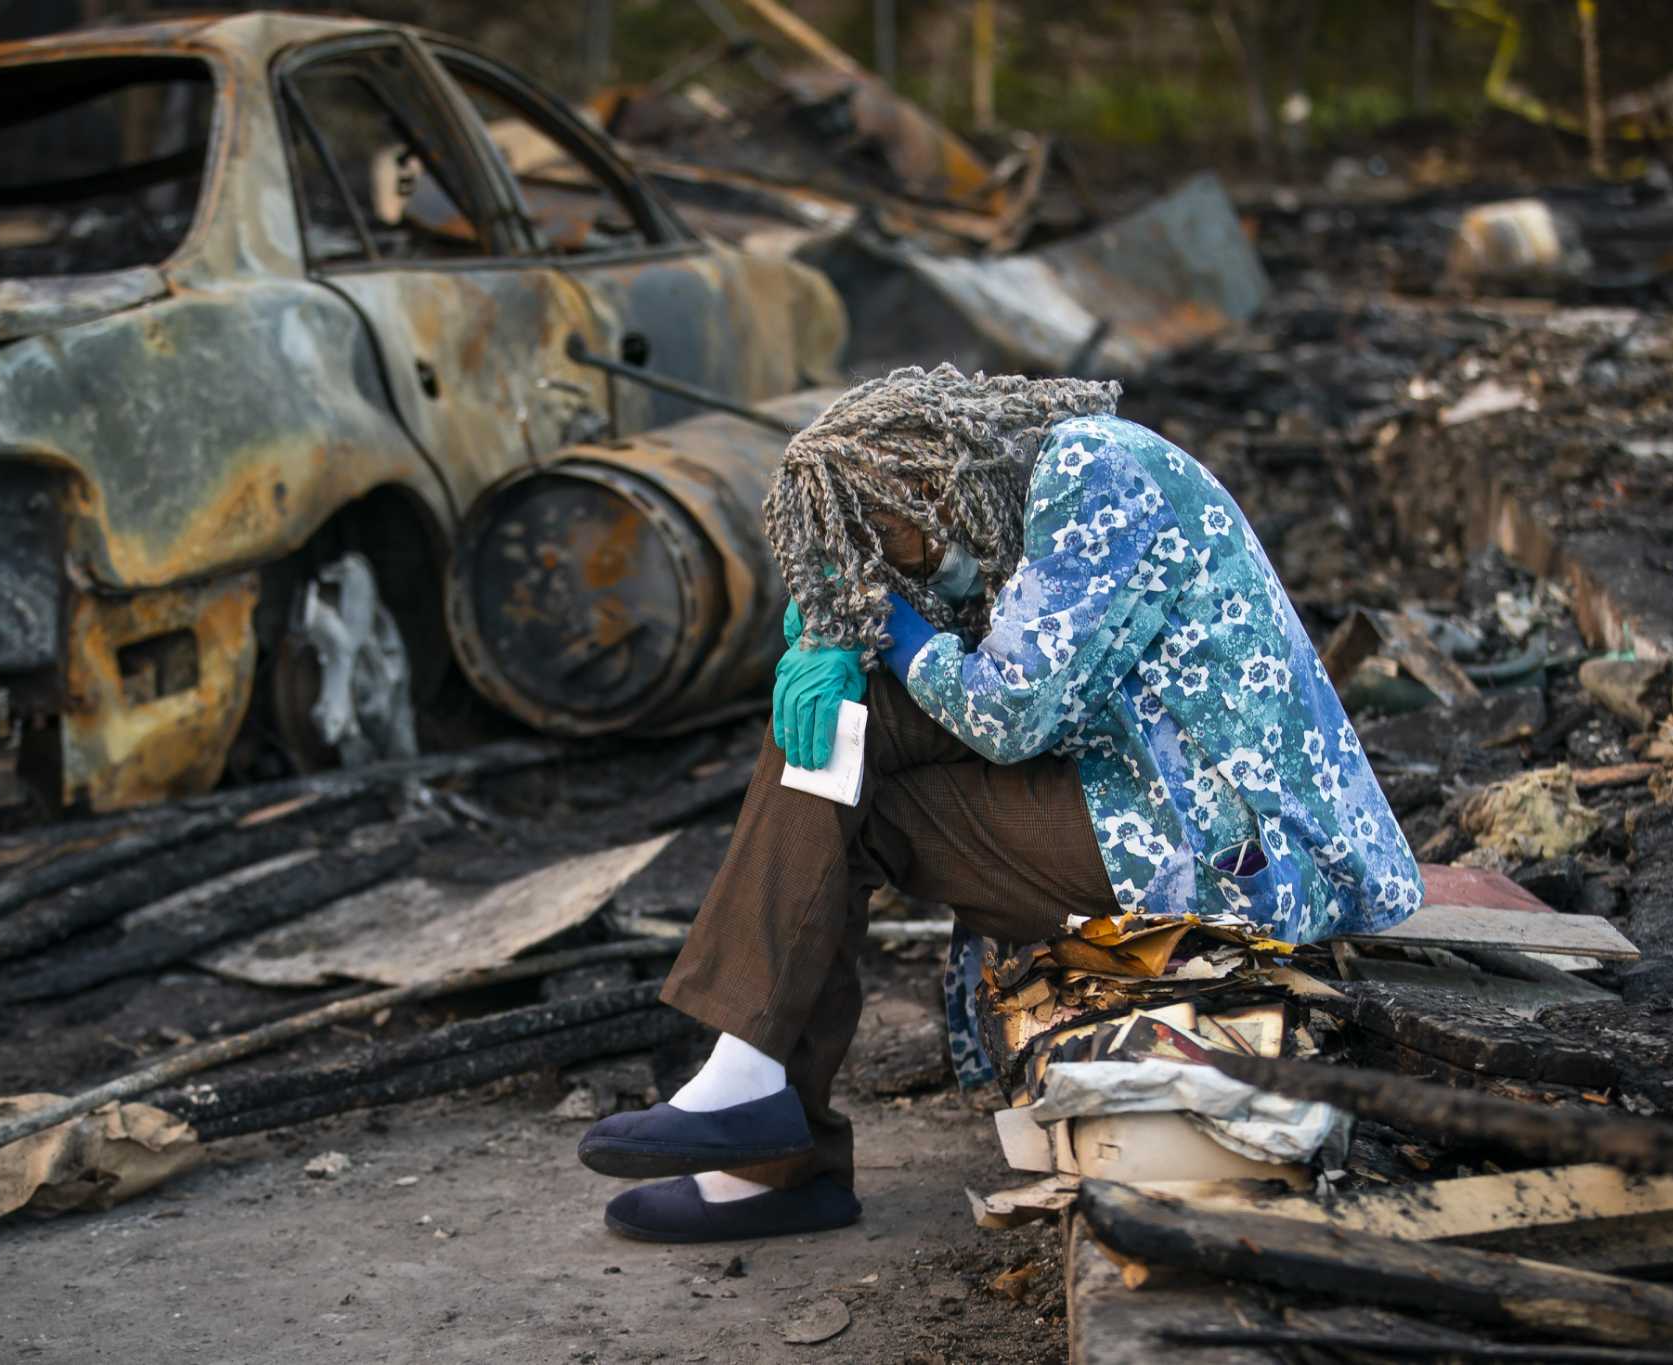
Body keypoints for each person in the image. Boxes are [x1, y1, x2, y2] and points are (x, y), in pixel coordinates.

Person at [577, 365, 1421, 1244]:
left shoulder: (1093, 468)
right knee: (834, 730)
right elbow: (1011, 663)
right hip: (1163, 802)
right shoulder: (1029, 499)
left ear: (923, 477)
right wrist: (833, 638)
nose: (883, 568)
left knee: (858, 788)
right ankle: (751, 1101)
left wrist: (896, 633)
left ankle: (762, 1138)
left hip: (1241, 852)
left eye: (881, 535)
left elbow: (1014, 709)